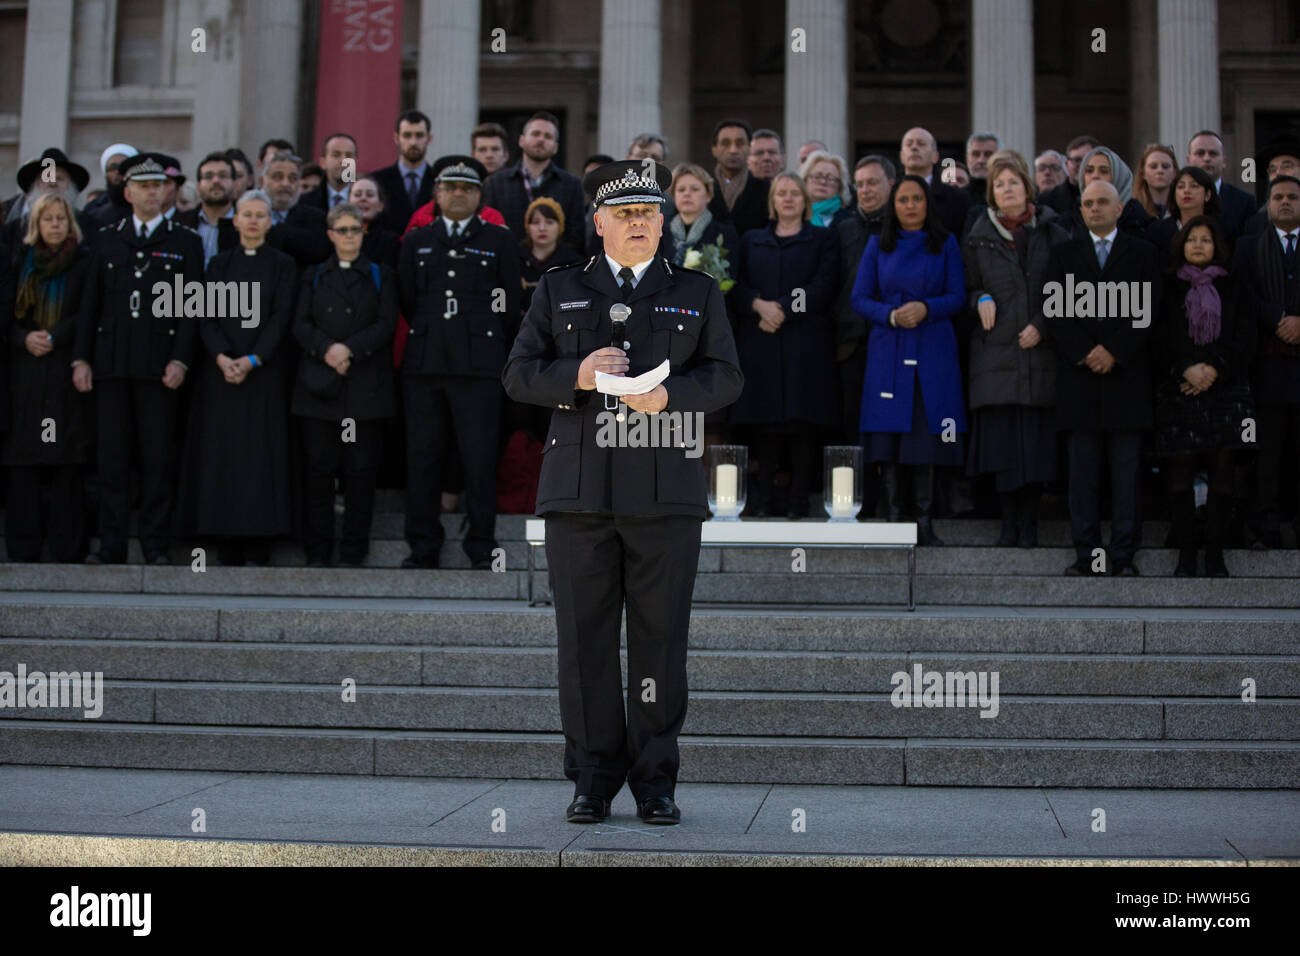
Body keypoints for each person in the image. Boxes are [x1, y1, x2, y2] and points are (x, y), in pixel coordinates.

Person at [502, 159, 743, 826]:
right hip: (578, 493)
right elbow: (518, 375)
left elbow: (728, 377)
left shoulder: (696, 291)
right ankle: (591, 778)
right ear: (600, 223)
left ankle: (656, 780)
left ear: (663, 222)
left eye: (649, 212)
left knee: (660, 641)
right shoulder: (559, 289)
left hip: (665, 491)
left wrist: (670, 397)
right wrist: (575, 373)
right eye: (626, 214)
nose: (639, 223)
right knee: (583, 642)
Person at [73, 153, 205, 564]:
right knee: (112, 459)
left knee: (157, 459)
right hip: (111, 365)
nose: (151, 193)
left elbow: (191, 309)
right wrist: (81, 358)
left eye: (157, 186)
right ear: (127, 192)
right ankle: (112, 545)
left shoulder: (186, 242)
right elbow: (89, 304)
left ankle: (155, 545)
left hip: (158, 365)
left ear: (167, 191)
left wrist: (181, 360)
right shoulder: (106, 239)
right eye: (142, 186)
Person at [398, 156, 520, 569]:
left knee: (479, 456)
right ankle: (423, 545)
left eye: (467, 189)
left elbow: (508, 304)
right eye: (450, 187)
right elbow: (409, 300)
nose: (458, 193)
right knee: (422, 456)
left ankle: (482, 543)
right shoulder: (417, 240)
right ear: (436, 193)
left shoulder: (500, 240)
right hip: (426, 362)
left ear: (478, 197)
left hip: (478, 365)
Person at [173, 189, 296, 566]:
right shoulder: (218, 266)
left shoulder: (284, 265)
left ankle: (259, 540)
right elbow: (203, 317)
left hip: (263, 375)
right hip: (221, 376)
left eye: (261, 214)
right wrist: (223, 358)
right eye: (248, 214)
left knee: (260, 456)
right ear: (236, 220)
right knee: (222, 455)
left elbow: (282, 316)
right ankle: (222, 535)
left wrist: (253, 359)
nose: (255, 221)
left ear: (270, 222)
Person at [1047, 180, 1160, 576]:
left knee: (1126, 474)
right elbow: (1055, 313)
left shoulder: (1143, 253)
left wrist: (1114, 350)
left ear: (1120, 207)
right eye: (1087, 203)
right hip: (1079, 380)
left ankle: (1124, 556)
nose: (1094, 209)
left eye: (1102, 203)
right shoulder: (1062, 255)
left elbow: (1147, 311)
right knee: (1083, 476)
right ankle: (1087, 556)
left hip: (1126, 379)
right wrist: (1085, 351)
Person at [852, 174, 967, 545]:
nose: (911, 205)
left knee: (926, 434)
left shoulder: (946, 244)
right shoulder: (877, 245)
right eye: (903, 199)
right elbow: (860, 297)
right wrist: (890, 314)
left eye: (918, 198)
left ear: (927, 204)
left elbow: (958, 295)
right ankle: (892, 515)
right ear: (893, 205)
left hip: (932, 347)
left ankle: (923, 519)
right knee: (889, 431)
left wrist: (926, 308)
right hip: (890, 346)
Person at [962, 150, 1068, 547]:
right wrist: (979, 300)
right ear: (992, 192)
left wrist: (1043, 325)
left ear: (1028, 186)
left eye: (1013, 182)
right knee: (1004, 449)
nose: (1007, 189)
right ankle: (1009, 525)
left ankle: (1031, 525)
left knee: (1036, 449)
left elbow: (1068, 288)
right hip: (997, 357)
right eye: (999, 184)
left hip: (1040, 355)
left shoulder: (1053, 231)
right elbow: (966, 287)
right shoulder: (976, 236)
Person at [291, 202, 397, 566]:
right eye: (342, 229)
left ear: (363, 233)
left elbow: (386, 323)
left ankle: (354, 552)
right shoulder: (314, 274)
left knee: (360, 473)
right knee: (318, 473)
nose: (349, 236)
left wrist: (351, 349)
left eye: (355, 229)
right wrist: (328, 349)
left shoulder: (381, 274)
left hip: (365, 392)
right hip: (319, 391)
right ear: (330, 234)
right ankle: (317, 551)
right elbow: (299, 323)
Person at [731, 172, 840, 516]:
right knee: (765, 423)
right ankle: (763, 500)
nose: (788, 198)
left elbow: (824, 284)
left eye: (795, 193)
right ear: (773, 200)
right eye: (782, 193)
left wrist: (782, 309)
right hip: (761, 340)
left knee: (801, 422)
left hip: (804, 343)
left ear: (805, 200)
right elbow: (735, 282)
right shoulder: (752, 239)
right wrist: (758, 305)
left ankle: (797, 500)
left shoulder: (822, 238)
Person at [1154, 216, 1252, 576]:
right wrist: (1186, 368)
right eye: (1192, 239)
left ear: (1217, 246)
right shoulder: (1167, 285)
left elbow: (1244, 333)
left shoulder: (1233, 284)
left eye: (1206, 240)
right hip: (1179, 388)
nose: (1198, 245)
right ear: (1181, 244)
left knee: (1222, 472)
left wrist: (1213, 369)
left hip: (1225, 389)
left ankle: (1215, 551)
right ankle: (1186, 553)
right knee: (1179, 473)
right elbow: (1158, 335)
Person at [3, 193, 93, 562]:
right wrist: (24, 338)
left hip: (63, 371)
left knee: (64, 459)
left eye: (60, 218)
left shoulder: (85, 263)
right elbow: (8, 315)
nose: (55, 225)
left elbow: (88, 313)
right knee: (25, 460)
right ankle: (24, 547)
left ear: (70, 223)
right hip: (25, 373)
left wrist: (57, 337)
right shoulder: (18, 263)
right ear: (35, 225)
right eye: (47, 219)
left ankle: (66, 548)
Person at [1233, 174, 1300, 549]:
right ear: (1268, 204)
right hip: (1267, 369)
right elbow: (1243, 297)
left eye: (1292, 196)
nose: (1285, 202)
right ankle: (1267, 526)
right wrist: (1278, 318)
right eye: (1278, 197)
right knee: (1268, 452)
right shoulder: (1247, 248)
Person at [834, 156, 896, 505]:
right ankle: (851, 500)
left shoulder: (901, 227)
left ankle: (887, 500)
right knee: (851, 420)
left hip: (891, 339)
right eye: (860, 184)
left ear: (890, 184)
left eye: (873, 182)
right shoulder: (843, 228)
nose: (866, 190)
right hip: (850, 342)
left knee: (887, 420)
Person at [482, 111, 586, 255]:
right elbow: (488, 232)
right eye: (535, 134)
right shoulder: (495, 184)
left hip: (556, 271)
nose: (541, 140)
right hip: (507, 269)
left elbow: (576, 237)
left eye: (548, 136)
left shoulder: (572, 185)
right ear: (521, 140)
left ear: (555, 147)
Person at [1058, 145, 1151, 240]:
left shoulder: (1138, 220)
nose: (1095, 176)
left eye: (1104, 171)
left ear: (1118, 177)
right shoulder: (1070, 221)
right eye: (1089, 171)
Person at [368, 110, 435, 235]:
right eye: (407, 135)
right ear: (396, 138)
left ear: (429, 138)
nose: (413, 142)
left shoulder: (439, 181)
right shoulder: (377, 181)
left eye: (419, 135)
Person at [261, 150, 331, 269]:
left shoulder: (315, 217)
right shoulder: (246, 213)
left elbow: (317, 253)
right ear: (263, 181)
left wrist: (274, 227)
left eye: (293, 178)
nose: (285, 184)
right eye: (278, 177)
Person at [897, 127, 971, 238]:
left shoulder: (958, 198)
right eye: (909, 144)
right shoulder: (888, 195)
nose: (914, 147)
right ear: (901, 157)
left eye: (921, 144)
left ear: (935, 156)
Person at [1144, 165, 1225, 265]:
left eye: (1194, 186)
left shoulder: (1221, 229)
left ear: (1207, 195)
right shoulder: (1157, 231)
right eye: (1181, 187)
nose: (1186, 191)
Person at [706, 118, 772, 238]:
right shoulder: (701, 188)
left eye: (740, 143)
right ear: (714, 149)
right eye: (725, 143)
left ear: (750, 148)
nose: (733, 150)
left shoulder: (767, 190)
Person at [1186, 130, 1256, 240]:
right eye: (1200, 153)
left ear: (1224, 161)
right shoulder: (1178, 199)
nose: (1207, 158)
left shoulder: (1245, 202)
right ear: (1188, 161)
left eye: (1213, 153)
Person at [176, 152, 238, 266]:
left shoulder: (246, 226)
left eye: (223, 175)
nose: (216, 181)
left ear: (234, 184)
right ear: (198, 186)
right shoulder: (179, 224)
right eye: (208, 176)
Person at [1037, 134, 1100, 215]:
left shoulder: (1113, 198)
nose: (1083, 165)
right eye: (1077, 160)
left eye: (1087, 159)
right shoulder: (1045, 201)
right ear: (1067, 164)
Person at [346, 175, 399, 270]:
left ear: (380, 206)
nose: (363, 199)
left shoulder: (391, 242)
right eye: (357, 195)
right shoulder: (337, 237)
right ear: (348, 203)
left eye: (370, 195)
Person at [302, 133, 358, 213]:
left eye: (349, 156)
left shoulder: (366, 204)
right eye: (336, 155)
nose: (343, 160)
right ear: (323, 162)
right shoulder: (304, 203)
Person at [83, 143, 137, 228]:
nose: (118, 172)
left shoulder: (147, 205)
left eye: (123, 166)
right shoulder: (93, 209)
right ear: (106, 174)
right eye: (113, 167)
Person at [799, 150, 852, 228]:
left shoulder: (849, 221)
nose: (823, 182)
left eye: (830, 178)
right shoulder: (792, 215)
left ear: (839, 187)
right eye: (817, 176)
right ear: (805, 180)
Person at [1133, 144, 1179, 219]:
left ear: (1174, 172)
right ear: (1143, 173)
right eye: (1153, 166)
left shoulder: (1182, 211)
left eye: (1165, 166)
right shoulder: (1132, 212)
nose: (1160, 171)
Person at [965, 132, 1000, 202]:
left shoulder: (1009, 196)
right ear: (967, 159)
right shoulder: (955, 198)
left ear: (999, 158)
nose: (981, 160)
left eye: (988, 154)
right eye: (976, 154)